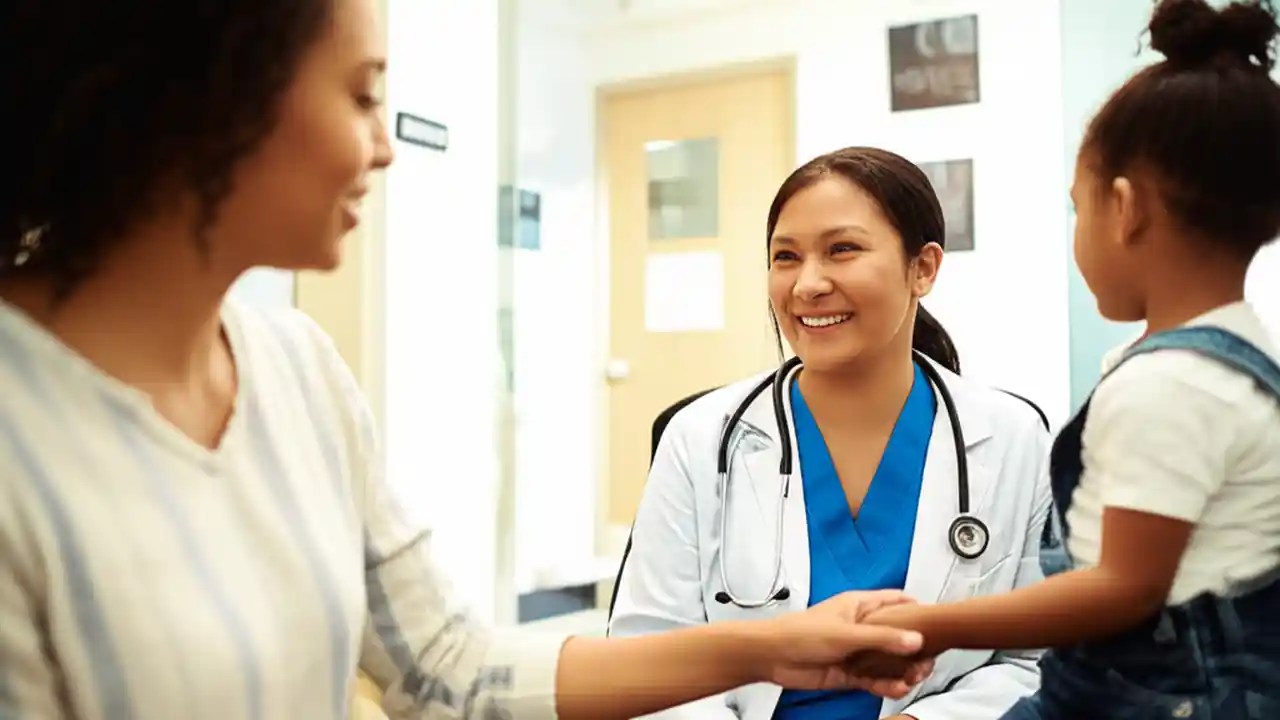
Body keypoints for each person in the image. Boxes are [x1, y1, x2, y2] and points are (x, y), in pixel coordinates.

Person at [0, 1, 938, 719]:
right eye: (363, 94)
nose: (384, 147)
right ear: (212, 95)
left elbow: (444, 666)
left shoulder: (296, 367)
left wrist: (769, 648)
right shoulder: (24, 438)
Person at [858, 1, 1280, 717]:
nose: (1078, 234)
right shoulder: (1235, 360)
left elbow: (1121, 588)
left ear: (1124, 208)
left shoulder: (1172, 386)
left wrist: (926, 623)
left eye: (1075, 208)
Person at [608, 146, 1054, 719]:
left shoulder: (1014, 437)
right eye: (785, 257)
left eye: (842, 250)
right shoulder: (699, 438)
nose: (807, 284)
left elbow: (1036, 659)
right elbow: (646, 656)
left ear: (924, 268)